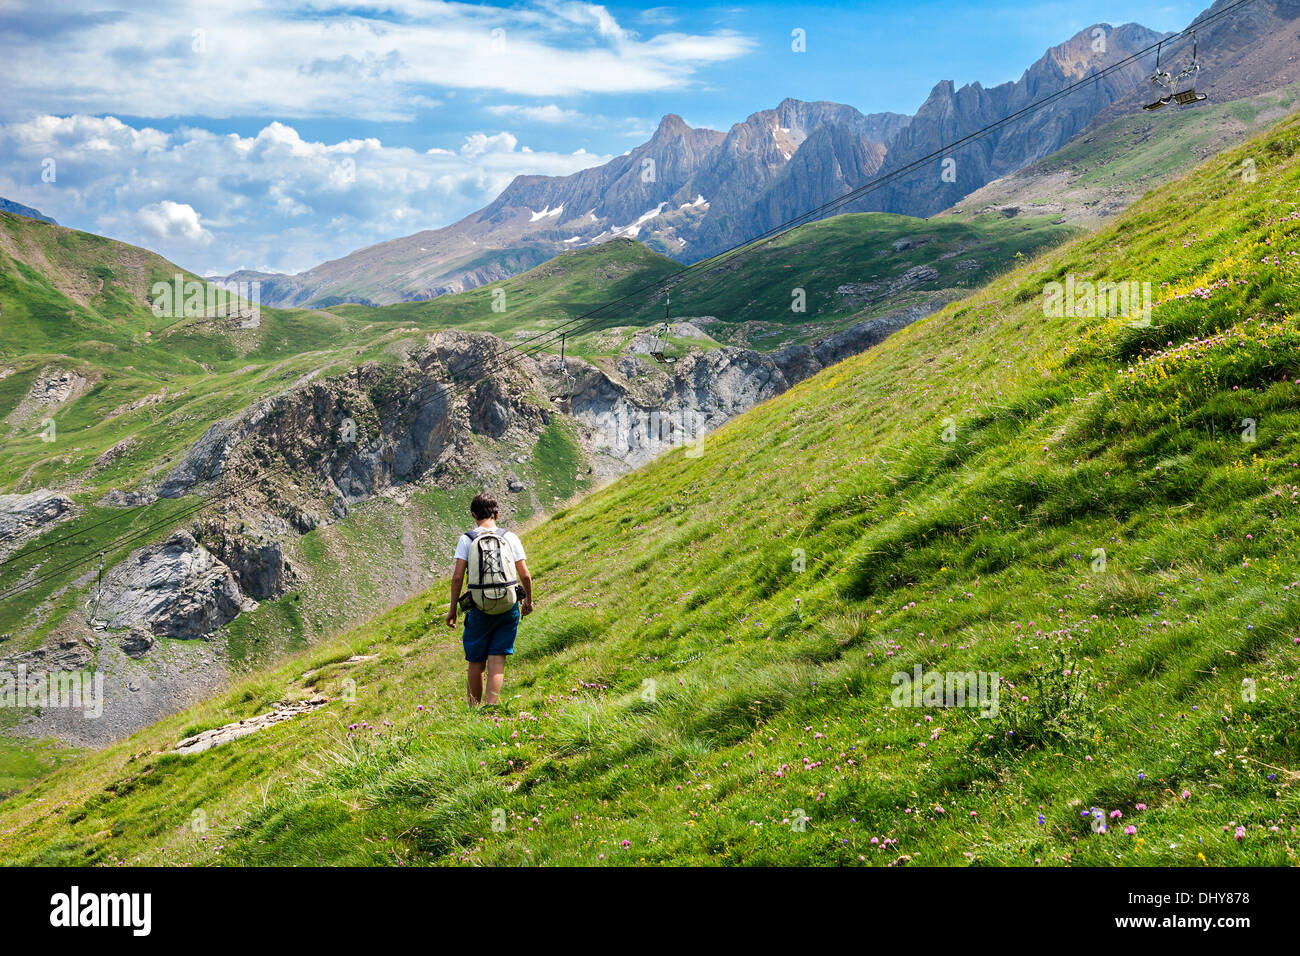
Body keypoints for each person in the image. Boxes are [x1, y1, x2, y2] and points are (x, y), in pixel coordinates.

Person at [446, 492, 533, 707]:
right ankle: (491, 709)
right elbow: (525, 575)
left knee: (476, 662)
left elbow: (457, 577)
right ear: (497, 514)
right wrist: (528, 601)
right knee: (497, 661)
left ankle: (474, 710)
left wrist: (453, 609)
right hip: (507, 604)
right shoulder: (510, 537)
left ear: (474, 514)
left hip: (478, 606)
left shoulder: (467, 539)